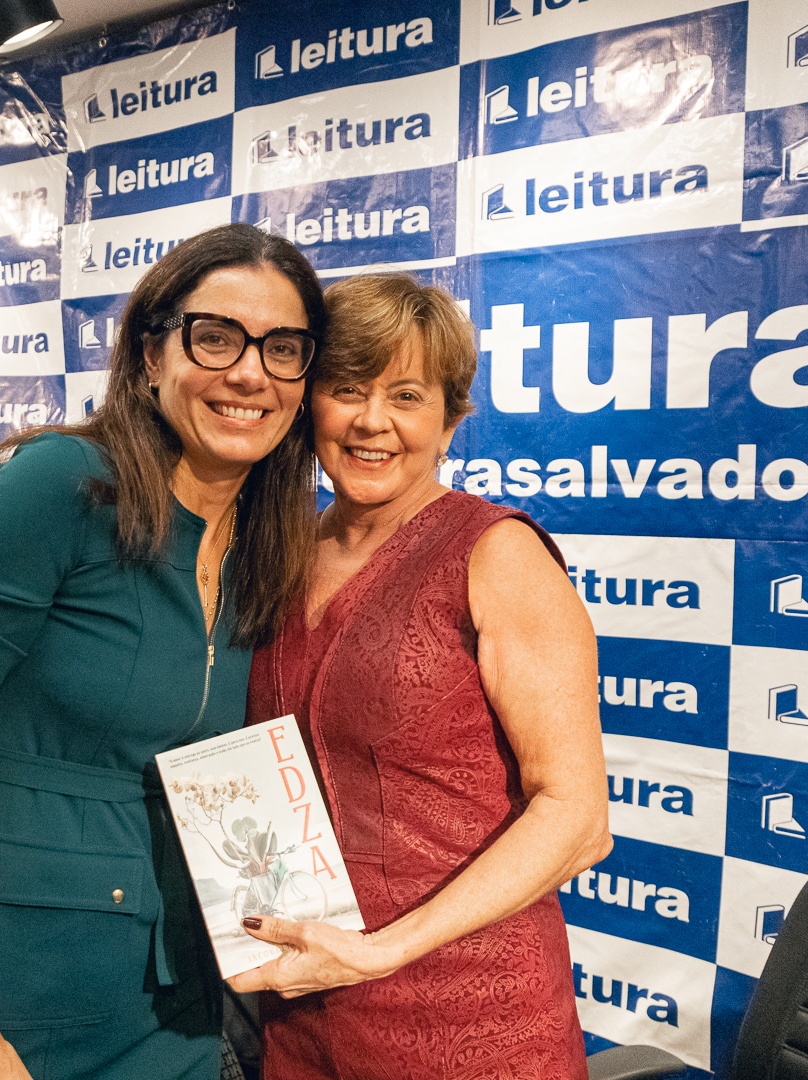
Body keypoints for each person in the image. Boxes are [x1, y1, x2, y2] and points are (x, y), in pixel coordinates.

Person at [0, 223, 325, 1080]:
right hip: (5, 997)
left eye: (284, 349)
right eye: (216, 337)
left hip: (175, 1003)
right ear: (148, 355)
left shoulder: (272, 545)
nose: (250, 373)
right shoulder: (58, 486)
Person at [231, 274, 612, 1080]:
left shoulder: (498, 554)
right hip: (303, 1002)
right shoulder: (283, 550)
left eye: (406, 395)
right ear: (310, 408)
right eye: (347, 389)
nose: (373, 421)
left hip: (472, 1014)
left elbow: (578, 819)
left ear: (450, 423)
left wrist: (379, 953)